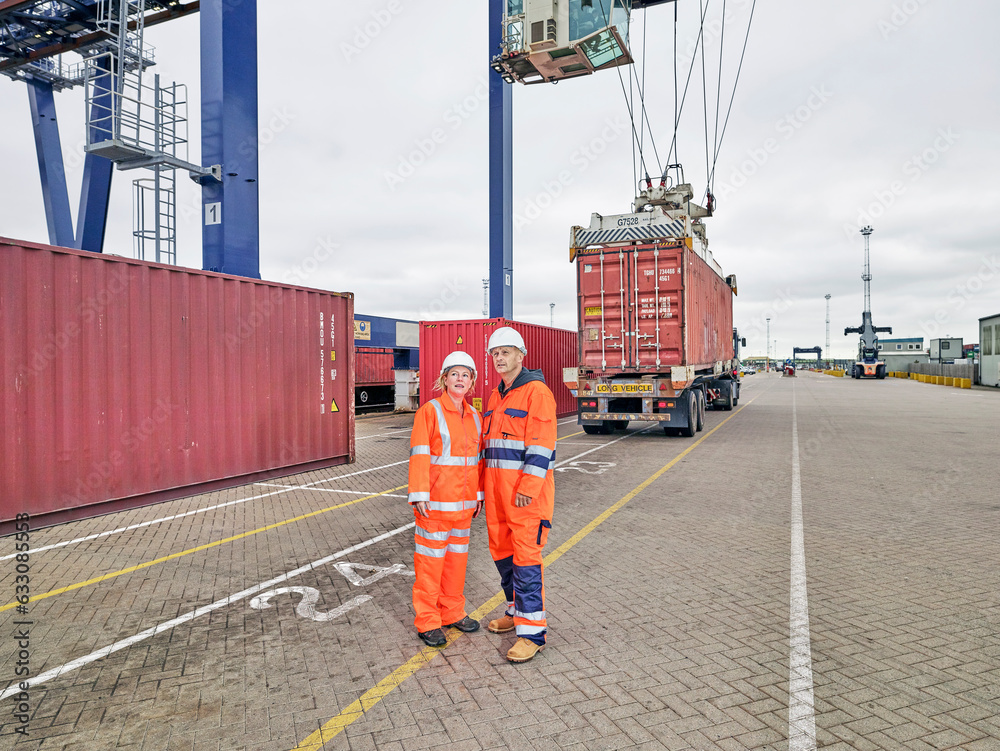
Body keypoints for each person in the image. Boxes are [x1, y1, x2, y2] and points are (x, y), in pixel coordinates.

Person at [480, 327, 557, 663]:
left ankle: (532, 634)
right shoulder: (497, 396)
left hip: (525, 497)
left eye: (506, 352)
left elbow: (541, 446)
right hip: (497, 496)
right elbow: (489, 449)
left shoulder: (536, 393)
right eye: (495, 353)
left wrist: (527, 488)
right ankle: (514, 611)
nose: (500, 358)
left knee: (526, 560)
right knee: (503, 555)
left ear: (521, 355)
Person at [407, 351, 484, 647]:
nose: (460, 379)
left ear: (472, 381)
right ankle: (428, 622)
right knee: (430, 567)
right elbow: (419, 454)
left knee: (455, 564)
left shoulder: (475, 416)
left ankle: (452, 612)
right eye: (455, 374)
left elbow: (477, 460)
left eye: (465, 375)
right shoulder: (430, 411)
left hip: (464, 508)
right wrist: (419, 494)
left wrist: (478, 495)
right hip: (436, 506)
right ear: (444, 379)